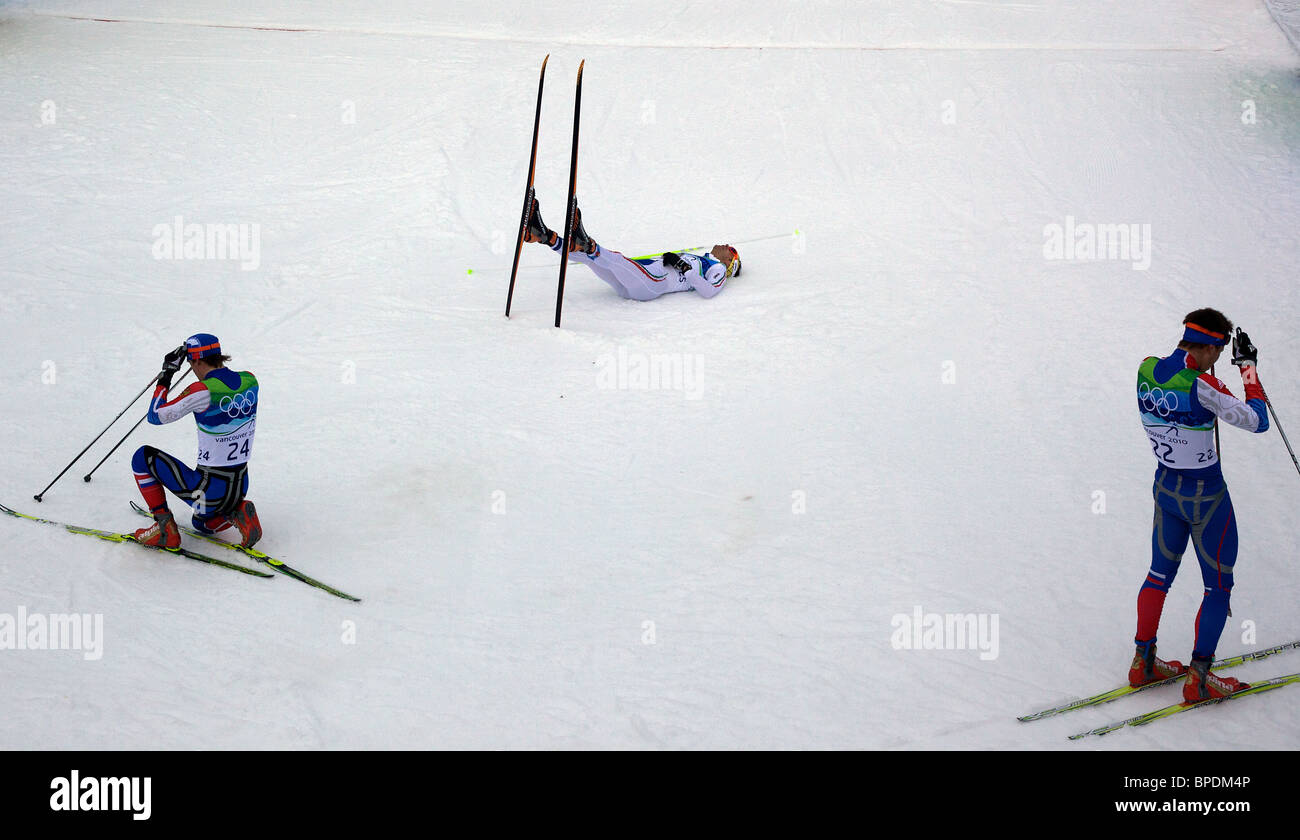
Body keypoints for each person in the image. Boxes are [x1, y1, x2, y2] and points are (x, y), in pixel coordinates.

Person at [1131, 308, 1269, 702]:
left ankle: (1142, 661)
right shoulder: (1202, 385)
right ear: (1209, 346)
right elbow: (1257, 421)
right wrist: (1247, 369)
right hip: (1205, 497)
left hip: (1165, 487)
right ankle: (1200, 678)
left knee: (1158, 575)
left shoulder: (1146, 368)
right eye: (1221, 349)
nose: (1218, 358)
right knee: (1218, 586)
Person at [130, 333, 262, 550]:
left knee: (142, 457)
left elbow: (155, 415)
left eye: (191, 363)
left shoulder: (202, 390)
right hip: (240, 485)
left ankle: (164, 528)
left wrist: (167, 375)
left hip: (208, 489)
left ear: (198, 361)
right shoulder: (250, 380)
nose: (193, 369)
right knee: (201, 522)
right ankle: (236, 512)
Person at [522, 198, 740, 301]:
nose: (725, 246)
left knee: (612, 258)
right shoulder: (703, 259)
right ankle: (542, 236)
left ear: (730, 263)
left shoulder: (718, 268)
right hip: (639, 282)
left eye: (730, 250)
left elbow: (709, 291)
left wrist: (681, 265)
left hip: (654, 285)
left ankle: (586, 242)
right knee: (591, 259)